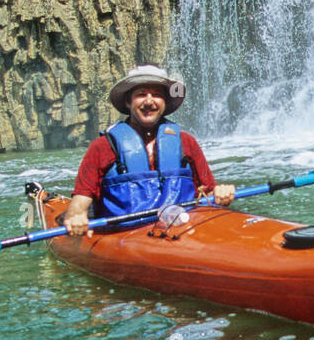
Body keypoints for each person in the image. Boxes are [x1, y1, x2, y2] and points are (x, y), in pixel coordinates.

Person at [64, 65, 235, 237]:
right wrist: (76, 217)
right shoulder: (102, 147)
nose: (149, 101)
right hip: (125, 237)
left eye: (157, 95)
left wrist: (221, 193)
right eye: (141, 94)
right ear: (128, 101)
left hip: (182, 231)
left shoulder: (186, 143)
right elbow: (80, 202)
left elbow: (209, 194)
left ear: (165, 102)